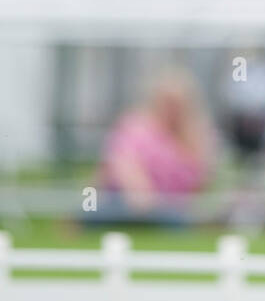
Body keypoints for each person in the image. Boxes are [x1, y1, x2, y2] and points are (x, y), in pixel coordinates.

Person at [89, 67, 215, 226]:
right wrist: (141, 194)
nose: (172, 110)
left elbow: (200, 182)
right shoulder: (135, 127)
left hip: (172, 211)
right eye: (168, 102)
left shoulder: (198, 136)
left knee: (174, 220)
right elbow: (122, 165)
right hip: (129, 204)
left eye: (177, 104)